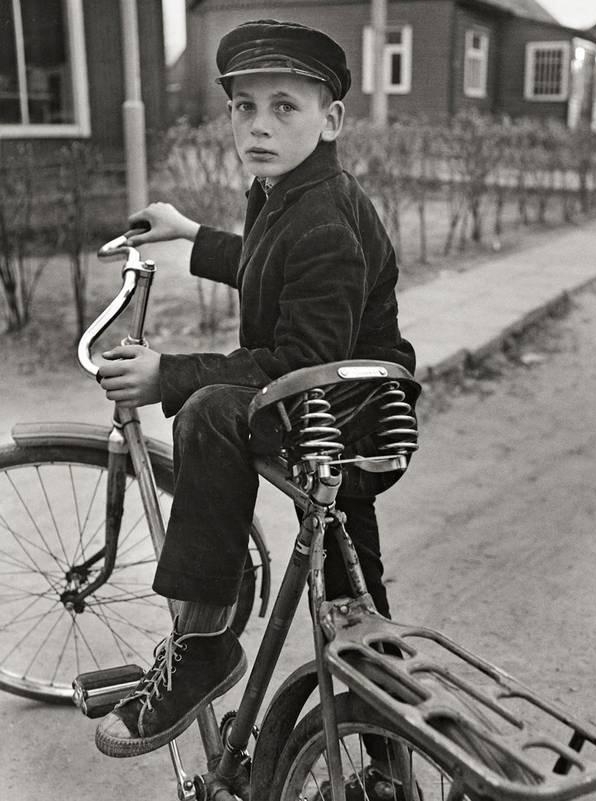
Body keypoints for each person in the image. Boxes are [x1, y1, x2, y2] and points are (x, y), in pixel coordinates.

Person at [94, 19, 415, 760]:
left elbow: (300, 358)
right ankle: (383, 731)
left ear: (330, 119)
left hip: (346, 413)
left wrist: (167, 376)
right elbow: (266, 263)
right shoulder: (288, 189)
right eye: (245, 107)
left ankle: (205, 645)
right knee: (348, 586)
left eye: (284, 106)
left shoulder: (327, 218)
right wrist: (186, 231)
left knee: (210, 413)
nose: (259, 126)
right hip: (329, 397)